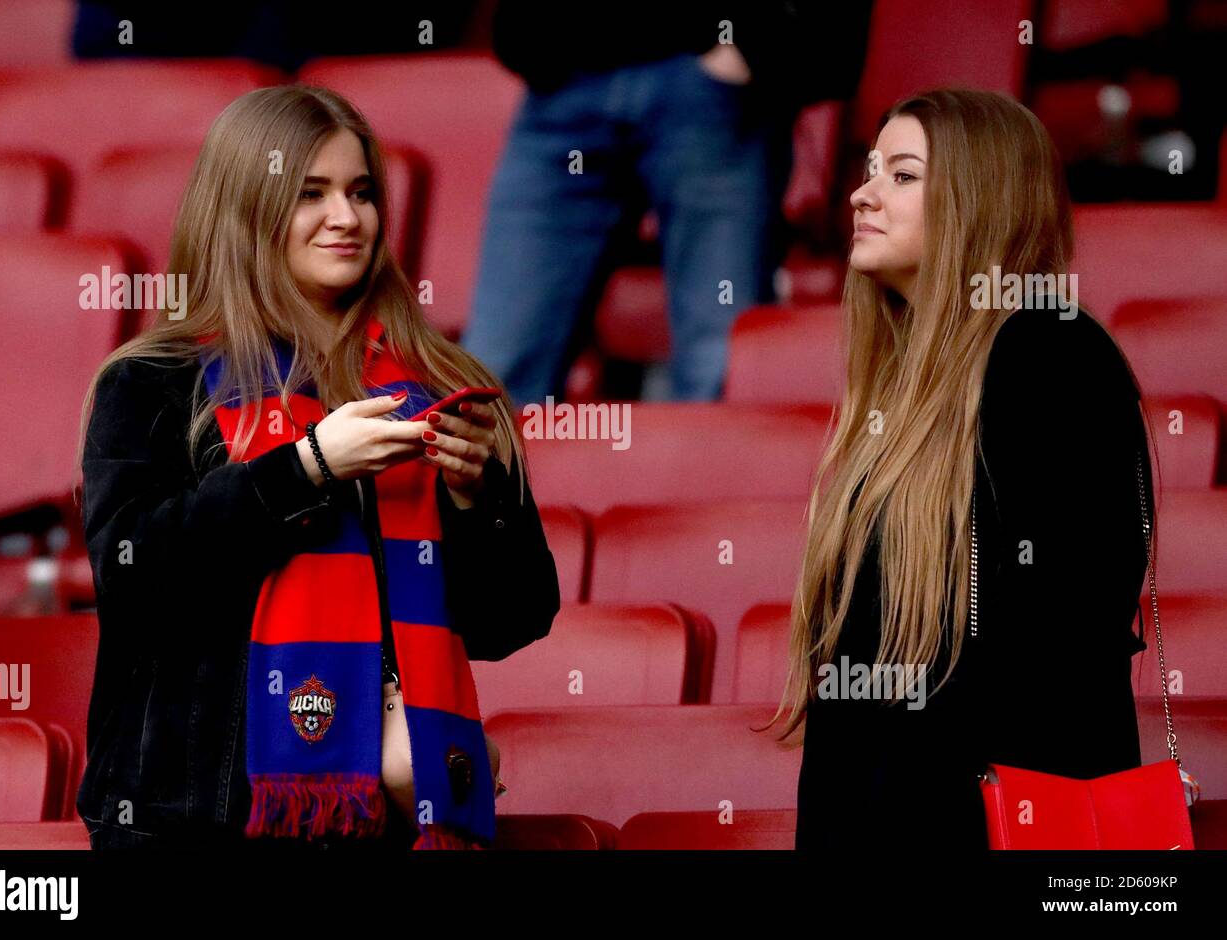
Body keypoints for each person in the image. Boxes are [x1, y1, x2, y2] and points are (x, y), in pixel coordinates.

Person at [75, 85, 560, 850]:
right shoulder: (152, 382)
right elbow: (134, 578)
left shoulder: (439, 381)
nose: (347, 217)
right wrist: (306, 470)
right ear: (245, 209)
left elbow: (513, 621)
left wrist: (477, 497)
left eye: (361, 193)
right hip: (191, 826)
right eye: (311, 194)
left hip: (373, 830)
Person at [758, 89, 1157, 850]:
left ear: (980, 201)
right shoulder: (909, 386)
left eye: (903, 175)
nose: (862, 194)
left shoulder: (1052, 355)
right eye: (870, 170)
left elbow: (1059, 650)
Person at [463, 0, 871, 403]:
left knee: (720, 369)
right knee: (494, 372)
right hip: (561, 71)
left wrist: (757, 44)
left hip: (708, 79)